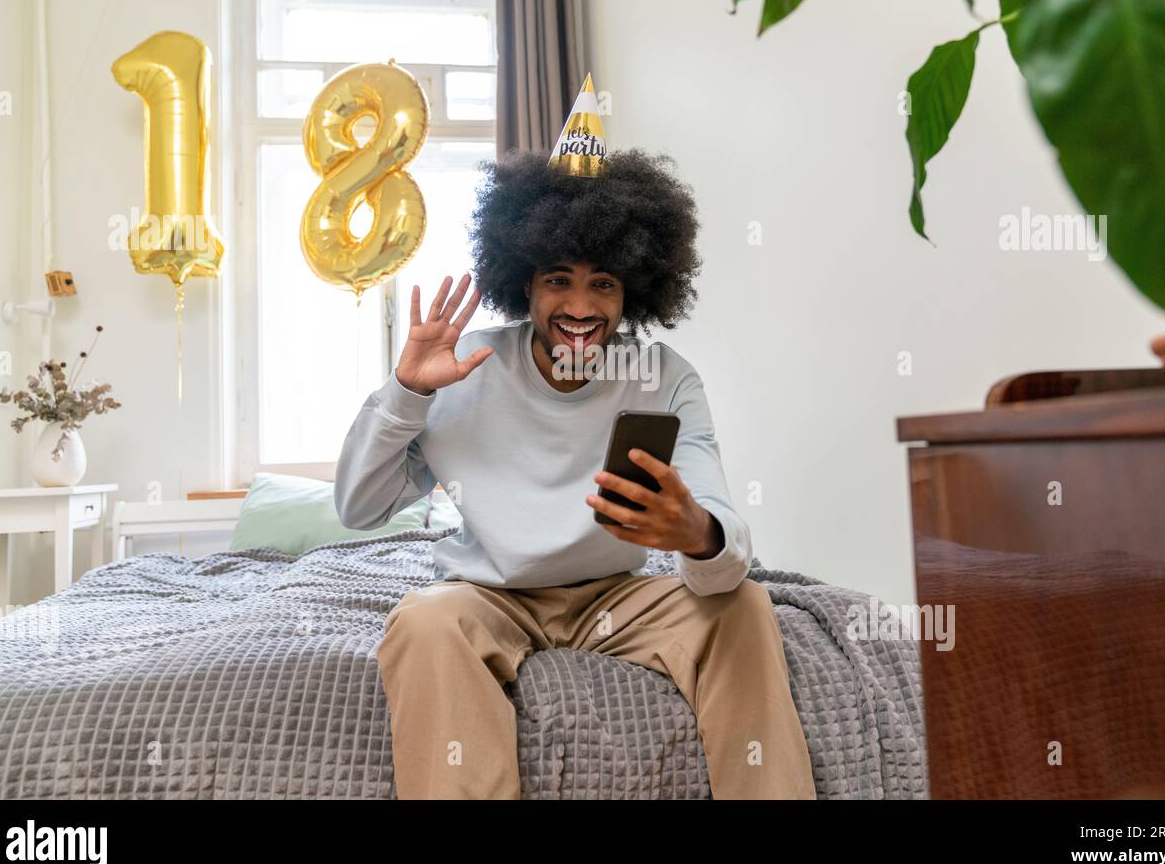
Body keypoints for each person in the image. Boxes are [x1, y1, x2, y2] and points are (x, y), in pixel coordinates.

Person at [333, 79, 814, 799]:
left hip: (621, 597)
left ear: (636, 292)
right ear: (523, 283)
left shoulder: (665, 378)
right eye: (559, 280)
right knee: (424, 620)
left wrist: (696, 531)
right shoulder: (462, 370)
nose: (582, 308)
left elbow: (722, 557)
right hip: (491, 596)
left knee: (745, 604)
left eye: (605, 286)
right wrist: (409, 394)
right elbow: (357, 508)